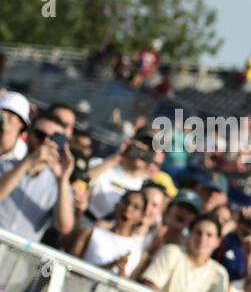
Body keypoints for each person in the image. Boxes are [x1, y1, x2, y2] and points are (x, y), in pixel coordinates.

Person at [0, 109, 77, 241]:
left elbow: (65, 227)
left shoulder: (58, 184)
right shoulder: (4, 165)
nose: (45, 143)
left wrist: (63, 180)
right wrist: (29, 161)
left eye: (53, 138)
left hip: (20, 258)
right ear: (29, 134)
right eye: (40, 135)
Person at [140, 212, 229, 292]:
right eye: (198, 232)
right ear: (189, 234)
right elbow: (149, 286)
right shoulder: (171, 252)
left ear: (217, 242)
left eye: (209, 235)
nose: (202, 239)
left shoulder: (220, 273)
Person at [71, 188, 147, 278]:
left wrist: (121, 271)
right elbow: (71, 265)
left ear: (141, 217)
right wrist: (111, 265)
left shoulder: (138, 253)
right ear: (117, 206)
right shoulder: (90, 233)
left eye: (136, 207)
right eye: (126, 203)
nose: (128, 208)